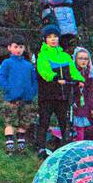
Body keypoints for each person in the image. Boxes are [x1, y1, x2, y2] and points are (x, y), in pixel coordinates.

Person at [35, 24, 81, 158]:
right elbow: (44, 71)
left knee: (64, 122)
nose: (53, 39)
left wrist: (80, 79)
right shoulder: (42, 55)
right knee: (44, 121)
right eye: (49, 37)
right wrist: (55, 78)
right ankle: (41, 148)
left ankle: (66, 146)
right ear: (45, 40)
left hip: (63, 95)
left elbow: (73, 71)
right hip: (47, 95)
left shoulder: (65, 56)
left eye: (55, 36)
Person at [0, 37, 36, 154]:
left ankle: (21, 148)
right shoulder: (7, 63)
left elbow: (34, 80)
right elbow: (1, 77)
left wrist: (32, 91)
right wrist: (8, 89)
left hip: (26, 99)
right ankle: (9, 148)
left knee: (23, 123)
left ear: (24, 48)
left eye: (21, 47)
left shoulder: (28, 65)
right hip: (11, 99)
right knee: (10, 122)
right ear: (9, 48)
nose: (18, 49)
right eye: (15, 47)